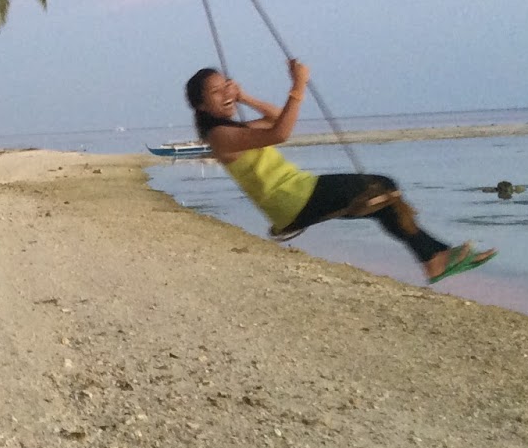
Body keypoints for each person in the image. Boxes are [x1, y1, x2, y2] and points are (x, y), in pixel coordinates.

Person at [184, 60, 495, 283]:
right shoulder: (221, 137)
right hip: (293, 200)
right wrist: (298, 86)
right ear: (202, 106)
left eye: (226, 85)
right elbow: (281, 133)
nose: (225, 92)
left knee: (383, 203)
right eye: (216, 92)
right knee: (382, 186)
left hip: (299, 193)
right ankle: (435, 257)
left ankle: (436, 259)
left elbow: (276, 117)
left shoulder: (234, 130)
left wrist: (244, 97)